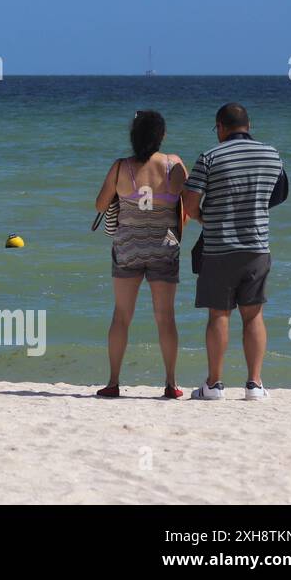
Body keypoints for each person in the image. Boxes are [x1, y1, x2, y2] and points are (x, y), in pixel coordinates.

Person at [182, 103, 288, 401]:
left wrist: (206, 217)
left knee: (219, 315)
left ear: (220, 127)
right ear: (249, 125)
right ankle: (254, 384)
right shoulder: (272, 154)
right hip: (257, 246)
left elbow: (190, 205)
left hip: (219, 248)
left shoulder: (210, 157)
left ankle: (214, 385)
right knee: (253, 316)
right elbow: (277, 196)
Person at [93, 110, 188, 399]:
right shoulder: (174, 165)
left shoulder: (121, 167)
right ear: (162, 136)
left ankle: (113, 382)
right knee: (166, 317)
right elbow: (188, 208)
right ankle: (171, 384)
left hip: (127, 248)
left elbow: (100, 205)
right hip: (164, 248)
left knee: (121, 316)